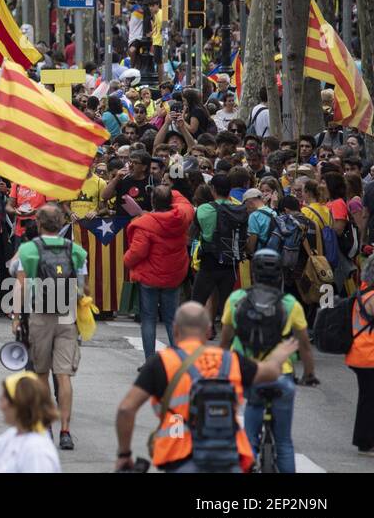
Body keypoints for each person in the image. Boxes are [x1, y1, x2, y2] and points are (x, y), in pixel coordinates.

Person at [115, 301, 299, 473]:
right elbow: (270, 372)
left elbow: (126, 409)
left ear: (175, 330)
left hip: (179, 453)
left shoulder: (162, 362)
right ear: (208, 330)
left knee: (174, 419)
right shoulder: (230, 360)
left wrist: (124, 454)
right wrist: (279, 353)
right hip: (227, 456)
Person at [219, 249, 317, 472]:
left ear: (253, 273)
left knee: (250, 437)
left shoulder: (236, 299)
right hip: (281, 374)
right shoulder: (291, 303)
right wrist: (309, 374)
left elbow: (224, 341)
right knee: (284, 443)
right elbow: (305, 347)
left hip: (248, 374)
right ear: (279, 275)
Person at [13, 203, 87, 450]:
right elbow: (81, 287)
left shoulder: (28, 250)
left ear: (38, 223)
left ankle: (46, 428)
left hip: (40, 314)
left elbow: (21, 285)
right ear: (62, 222)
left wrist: (15, 316)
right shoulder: (76, 251)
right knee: (63, 375)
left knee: (41, 373)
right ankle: (66, 430)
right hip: (67, 315)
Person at [123, 185, 194, 362]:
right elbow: (183, 201)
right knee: (172, 318)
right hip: (173, 276)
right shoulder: (182, 217)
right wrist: (166, 189)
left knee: (148, 319)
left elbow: (138, 252)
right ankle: (180, 359)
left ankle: (150, 361)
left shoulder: (145, 223)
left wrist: (126, 261)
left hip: (149, 277)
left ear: (153, 201)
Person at [191, 172, 247, 328]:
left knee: (197, 301)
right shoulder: (239, 210)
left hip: (209, 262)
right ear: (229, 190)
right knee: (227, 305)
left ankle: (193, 336)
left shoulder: (203, 209)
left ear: (212, 189)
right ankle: (229, 340)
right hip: (231, 262)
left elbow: (195, 232)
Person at [346, 254, 374, 455]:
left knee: (369, 398)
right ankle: (366, 441)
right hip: (369, 356)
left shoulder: (364, 292)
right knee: (370, 399)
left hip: (361, 354)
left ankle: (366, 438)